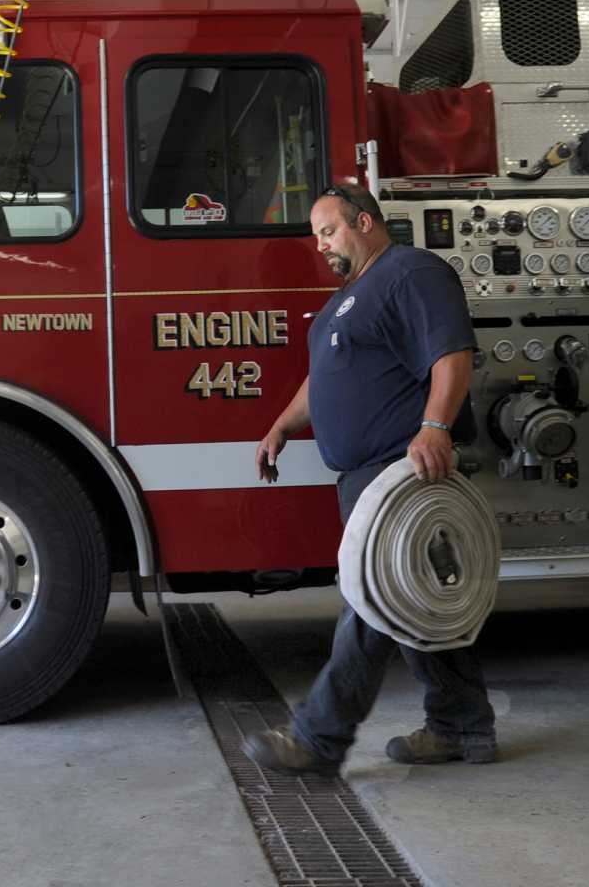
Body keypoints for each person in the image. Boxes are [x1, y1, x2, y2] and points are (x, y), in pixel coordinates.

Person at [242, 184, 497, 776]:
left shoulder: (411, 271)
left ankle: (318, 738)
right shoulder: (345, 300)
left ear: (364, 221)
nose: (320, 243)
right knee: (414, 602)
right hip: (364, 477)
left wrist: (435, 426)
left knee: (372, 599)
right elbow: (324, 380)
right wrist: (281, 424)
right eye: (316, 236)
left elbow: (452, 354)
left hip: (402, 470)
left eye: (328, 230)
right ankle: (462, 727)